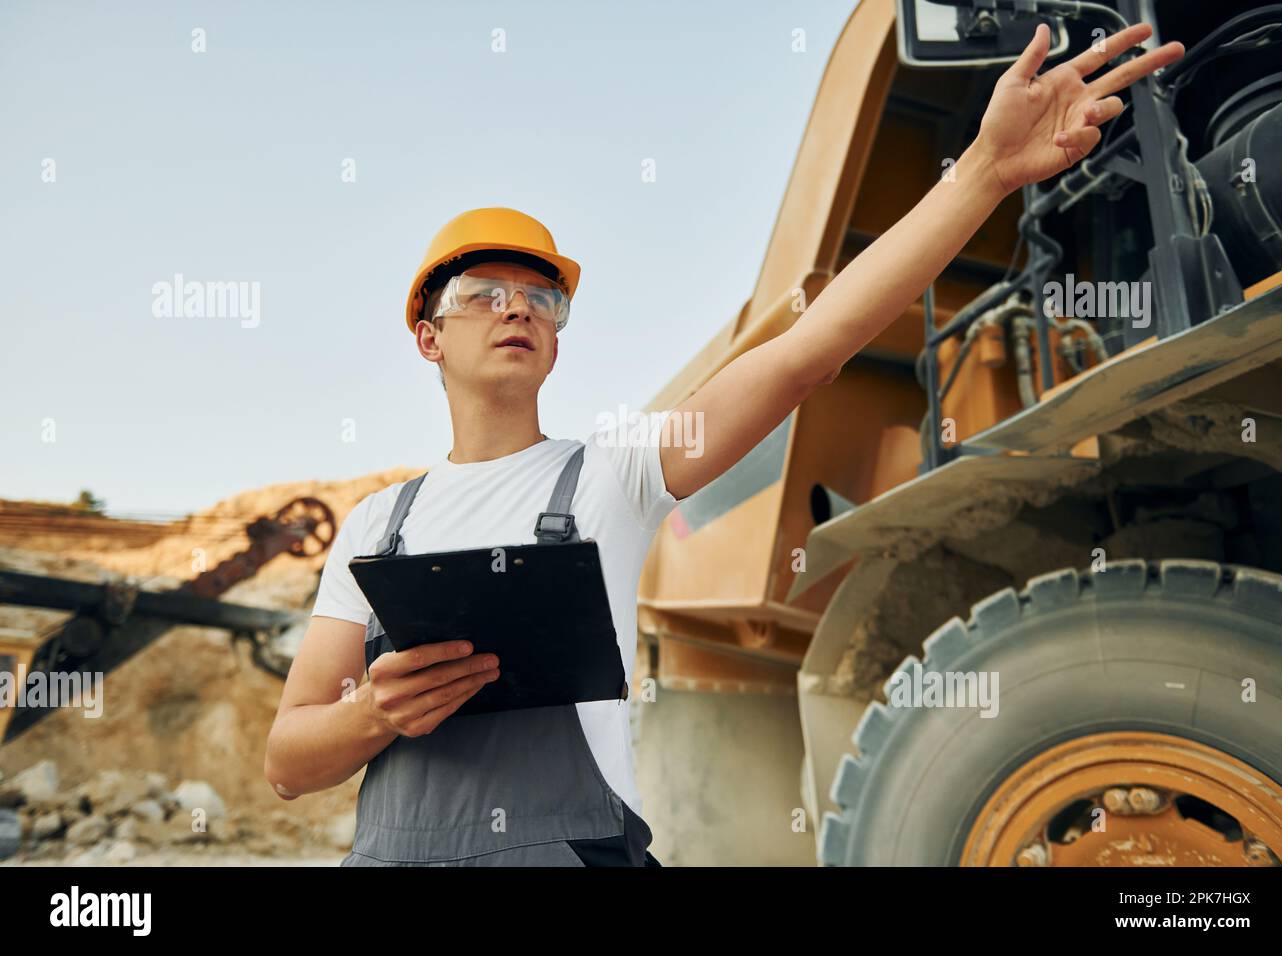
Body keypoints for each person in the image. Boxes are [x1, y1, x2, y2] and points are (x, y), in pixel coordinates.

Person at [263, 23, 1183, 866]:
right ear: (428, 336)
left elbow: (804, 355)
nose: (517, 308)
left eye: (542, 299)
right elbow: (288, 761)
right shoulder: (378, 526)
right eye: (482, 293)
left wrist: (982, 172)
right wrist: (375, 712)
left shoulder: (615, 475)